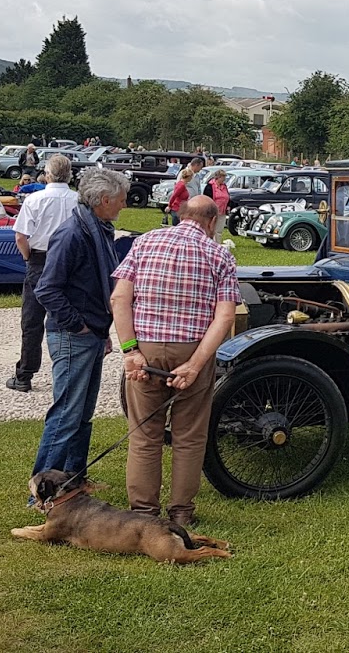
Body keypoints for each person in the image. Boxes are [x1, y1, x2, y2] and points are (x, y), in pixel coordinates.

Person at [111, 196, 239, 528]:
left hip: (147, 350)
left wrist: (130, 352)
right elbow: (225, 317)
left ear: (180, 215)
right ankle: (181, 512)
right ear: (212, 222)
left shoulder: (144, 242)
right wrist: (195, 365)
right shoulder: (219, 254)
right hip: (192, 349)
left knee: (144, 435)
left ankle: (143, 513)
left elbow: (119, 297)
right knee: (189, 436)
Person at [29, 170, 127, 480]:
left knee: (82, 413)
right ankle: (45, 488)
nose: (124, 205)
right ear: (104, 200)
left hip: (91, 333)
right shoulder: (73, 233)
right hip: (73, 336)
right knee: (66, 415)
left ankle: (72, 479)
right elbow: (47, 289)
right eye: (121, 200)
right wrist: (78, 325)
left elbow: (96, 285)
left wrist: (100, 330)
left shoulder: (97, 230)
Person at [6, 155, 79, 393]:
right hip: (70, 261)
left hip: (39, 258)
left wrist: (28, 257)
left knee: (32, 319)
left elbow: (20, 236)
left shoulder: (34, 200)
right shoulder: (79, 200)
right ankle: (69, 371)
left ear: (47, 175)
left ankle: (25, 373)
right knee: (68, 315)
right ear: (69, 175)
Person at [206, 169, 230, 239]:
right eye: (223, 177)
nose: (224, 179)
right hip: (213, 212)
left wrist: (228, 206)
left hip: (222, 211)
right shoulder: (210, 186)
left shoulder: (224, 186)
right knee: (212, 229)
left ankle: (217, 243)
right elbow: (207, 199)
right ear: (218, 177)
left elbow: (227, 197)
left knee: (219, 230)